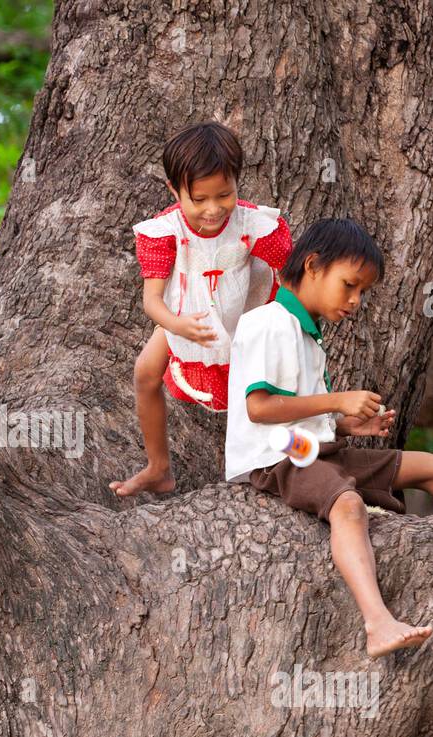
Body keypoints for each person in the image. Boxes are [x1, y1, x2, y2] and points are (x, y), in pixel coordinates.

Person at [225, 218, 433, 657]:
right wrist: (339, 402)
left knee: (431, 467)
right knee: (348, 505)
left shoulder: (307, 334)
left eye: (362, 291)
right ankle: (378, 622)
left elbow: (302, 410)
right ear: (313, 266)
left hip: (310, 449)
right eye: (350, 285)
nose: (356, 300)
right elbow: (260, 408)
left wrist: (345, 425)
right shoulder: (269, 322)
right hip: (274, 457)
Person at [110, 121, 292, 496]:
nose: (213, 210)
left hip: (242, 318)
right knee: (145, 372)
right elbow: (151, 301)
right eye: (199, 199)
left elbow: (288, 272)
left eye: (224, 195)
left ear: (237, 184)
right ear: (174, 191)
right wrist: (176, 326)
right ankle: (158, 467)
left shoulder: (251, 224)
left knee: (264, 399)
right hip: (183, 317)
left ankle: (291, 461)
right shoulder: (164, 232)